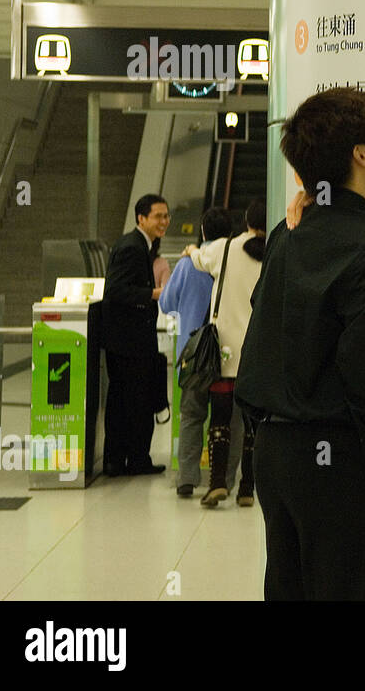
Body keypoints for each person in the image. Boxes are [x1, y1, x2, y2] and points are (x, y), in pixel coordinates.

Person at [234, 87, 365, 600]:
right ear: (360, 155)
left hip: (276, 451)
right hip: (341, 460)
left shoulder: (289, 236)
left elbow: (261, 338)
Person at [184, 198, 266, 507]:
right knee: (251, 424)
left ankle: (217, 482)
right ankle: (247, 488)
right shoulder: (273, 252)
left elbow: (199, 258)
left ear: (246, 222)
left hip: (225, 352)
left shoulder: (226, 249)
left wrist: (191, 250)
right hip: (257, 354)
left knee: (219, 419)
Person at [160, 207, 244, 497]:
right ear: (231, 233)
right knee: (232, 417)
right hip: (227, 354)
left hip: (193, 355)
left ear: (203, 232)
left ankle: (186, 478)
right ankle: (227, 480)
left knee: (192, 415)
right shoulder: (236, 261)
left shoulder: (186, 265)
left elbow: (166, 304)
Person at [101, 193, 170, 477]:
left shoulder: (141, 245)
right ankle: (133, 459)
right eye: (158, 216)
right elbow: (114, 290)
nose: (164, 221)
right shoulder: (132, 246)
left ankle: (119, 460)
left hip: (129, 339)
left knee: (124, 400)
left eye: (166, 216)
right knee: (132, 400)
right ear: (141, 218)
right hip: (129, 341)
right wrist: (152, 293)